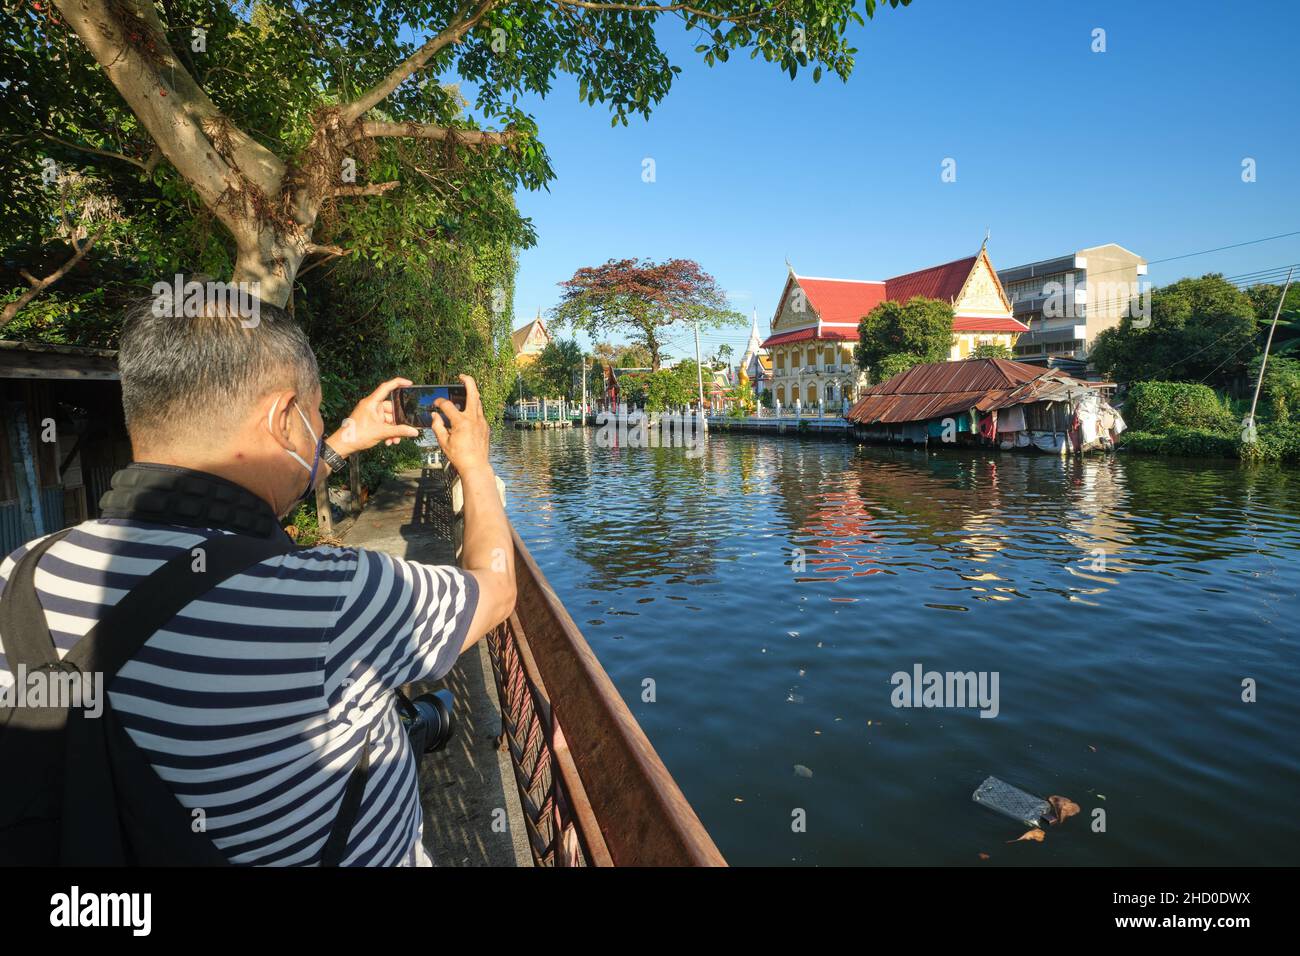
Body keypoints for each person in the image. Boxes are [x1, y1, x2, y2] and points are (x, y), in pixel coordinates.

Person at [0, 295, 516, 866]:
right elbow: (495, 589)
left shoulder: (20, 575)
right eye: (316, 416)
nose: (321, 428)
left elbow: (220, 527)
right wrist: (476, 465)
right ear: (282, 419)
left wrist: (342, 439)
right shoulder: (336, 598)